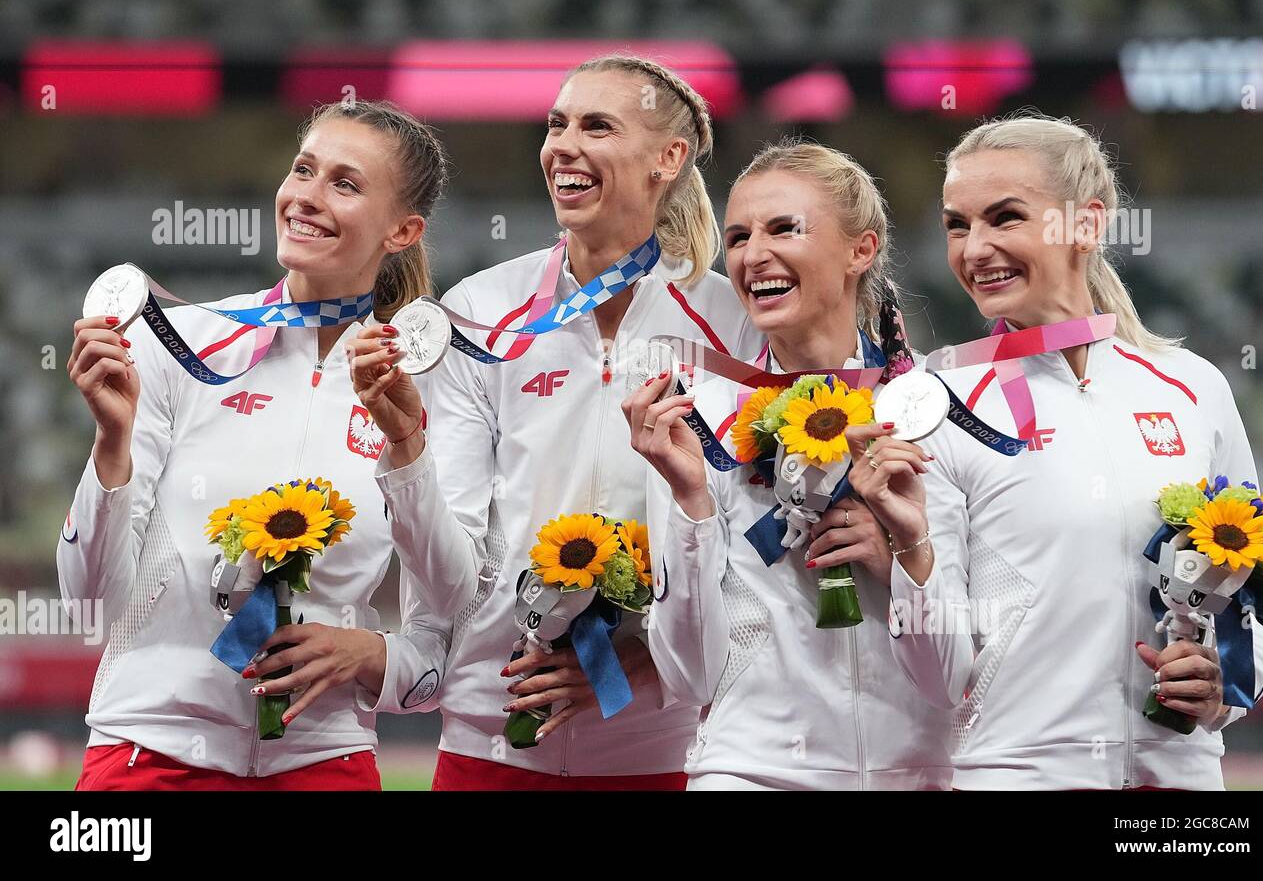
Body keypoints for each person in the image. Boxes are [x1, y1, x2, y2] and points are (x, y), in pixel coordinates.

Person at [347, 55, 761, 789]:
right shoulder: (479, 313)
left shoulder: (735, 327)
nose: (563, 145)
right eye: (555, 124)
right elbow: (448, 579)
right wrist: (407, 448)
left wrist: (648, 661)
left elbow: (751, 554)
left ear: (669, 158)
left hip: (658, 751)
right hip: (491, 739)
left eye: (596, 125)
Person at [849, 113, 1263, 790]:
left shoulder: (1192, 388)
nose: (975, 248)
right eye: (957, 224)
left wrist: (1226, 683)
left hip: (1182, 785)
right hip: (1018, 775)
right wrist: (911, 551)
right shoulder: (929, 406)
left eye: (1005, 217)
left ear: (1085, 224)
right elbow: (940, 680)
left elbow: (1260, 592)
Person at [60, 99, 460, 789]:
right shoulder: (180, 343)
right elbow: (89, 600)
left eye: (345, 182)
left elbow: (453, 618)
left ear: (404, 228)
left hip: (321, 759)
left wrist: (372, 654)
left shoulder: (431, 384)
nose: (306, 195)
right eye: (303, 169)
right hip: (151, 750)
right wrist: (112, 445)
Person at [623, 140, 953, 789]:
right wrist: (690, 503)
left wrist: (899, 562)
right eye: (740, 235)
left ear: (862, 249)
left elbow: (960, 666)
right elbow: (689, 673)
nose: (753, 255)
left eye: (784, 228)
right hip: (752, 769)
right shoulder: (697, 418)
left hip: (915, 772)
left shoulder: (931, 411)